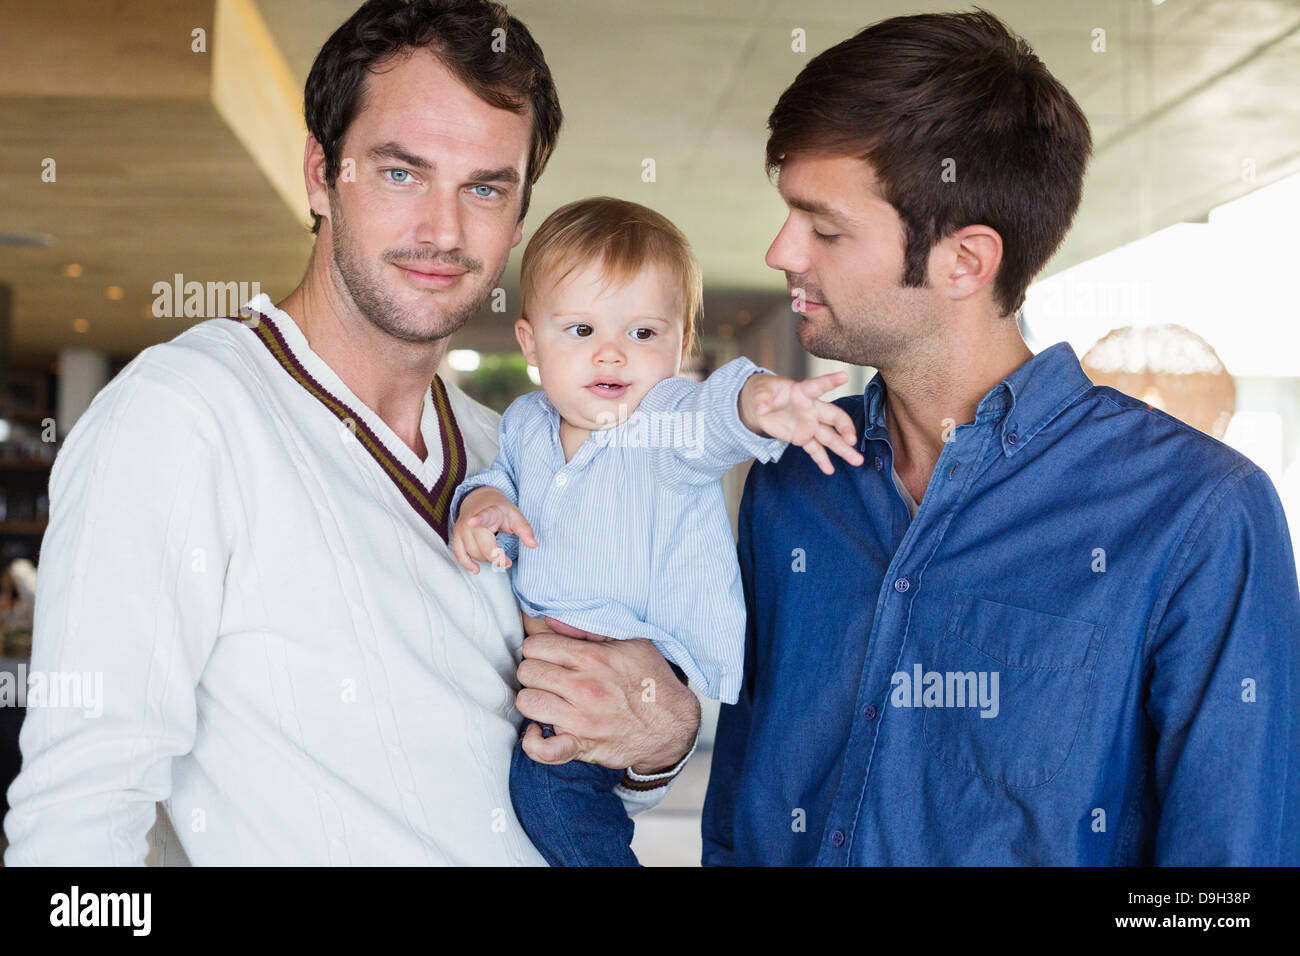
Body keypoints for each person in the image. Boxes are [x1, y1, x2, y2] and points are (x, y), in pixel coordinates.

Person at [4, 0, 699, 866]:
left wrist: (664, 731)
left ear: (518, 219)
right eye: (402, 173)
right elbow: (77, 819)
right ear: (319, 174)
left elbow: (599, 732)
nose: (444, 232)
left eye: (484, 187)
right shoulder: (184, 415)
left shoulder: (512, 451)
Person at [702, 9, 1300, 865]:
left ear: (965, 261)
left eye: (825, 227)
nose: (779, 250)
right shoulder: (794, 483)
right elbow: (741, 798)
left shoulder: (1200, 515)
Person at [449, 196, 862, 865]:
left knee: (549, 793)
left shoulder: (663, 423)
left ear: (680, 345)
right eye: (580, 331)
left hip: (640, 657)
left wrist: (757, 404)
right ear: (531, 342)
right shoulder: (525, 423)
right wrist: (485, 505)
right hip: (557, 659)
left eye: (642, 334)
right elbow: (493, 480)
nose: (611, 356)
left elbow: (712, 417)